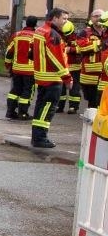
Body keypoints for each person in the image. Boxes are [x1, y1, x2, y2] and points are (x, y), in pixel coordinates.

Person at [31, 8, 71, 148]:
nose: (66, 21)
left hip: (41, 75)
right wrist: (67, 77)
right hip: (52, 78)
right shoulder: (52, 34)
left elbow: (32, 52)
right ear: (55, 18)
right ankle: (40, 138)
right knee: (48, 108)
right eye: (64, 18)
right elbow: (56, 58)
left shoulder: (40, 31)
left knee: (41, 107)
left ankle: (37, 136)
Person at [4, 15, 38, 120]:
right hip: (30, 70)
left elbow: (9, 52)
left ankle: (10, 112)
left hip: (17, 69)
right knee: (27, 91)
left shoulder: (17, 35)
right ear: (36, 24)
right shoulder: (37, 36)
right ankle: (23, 113)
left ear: (26, 23)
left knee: (15, 90)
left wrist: (8, 65)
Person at [78, 9, 106, 110]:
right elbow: (81, 47)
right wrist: (100, 44)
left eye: (100, 16)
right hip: (90, 73)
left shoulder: (106, 31)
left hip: (104, 72)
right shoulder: (85, 32)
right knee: (92, 100)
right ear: (91, 18)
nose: (98, 18)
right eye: (96, 16)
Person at [57, 20, 83, 113]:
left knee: (74, 88)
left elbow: (82, 48)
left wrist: (70, 49)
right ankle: (59, 106)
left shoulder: (78, 37)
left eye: (67, 34)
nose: (66, 36)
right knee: (61, 88)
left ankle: (73, 107)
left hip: (75, 66)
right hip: (63, 66)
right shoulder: (58, 36)